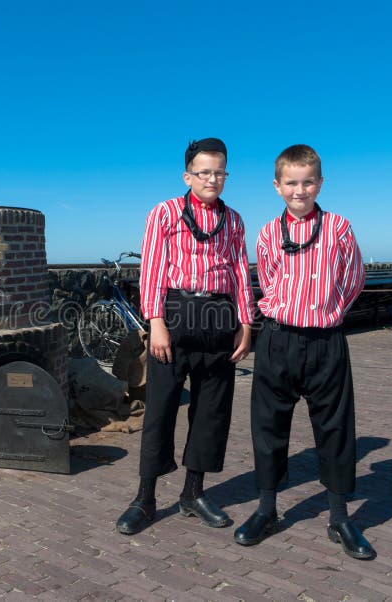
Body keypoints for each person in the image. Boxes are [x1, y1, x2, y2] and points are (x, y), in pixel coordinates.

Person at [233, 144, 375, 560]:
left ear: (320, 183)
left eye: (308, 181)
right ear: (277, 187)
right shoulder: (266, 234)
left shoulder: (339, 228)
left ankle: (340, 517)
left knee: (334, 427)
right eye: (292, 183)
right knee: (268, 426)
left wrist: (325, 314)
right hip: (278, 339)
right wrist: (289, 315)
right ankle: (267, 509)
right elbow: (270, 281)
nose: (300, 190)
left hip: (326, 341)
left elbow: (353, 280)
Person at [115, 137, 256, 535]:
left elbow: (239, 274)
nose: (213, 179)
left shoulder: (235, 220)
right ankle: (145, 498)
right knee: (160, 410)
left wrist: (245, 323)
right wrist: (155, 322)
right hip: (176, 315)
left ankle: (193, 492)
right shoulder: (164, 213)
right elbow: (153, 272)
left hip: (220, 318)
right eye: (204, 172)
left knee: (212, 412)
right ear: (188, 175)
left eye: (220, 172)